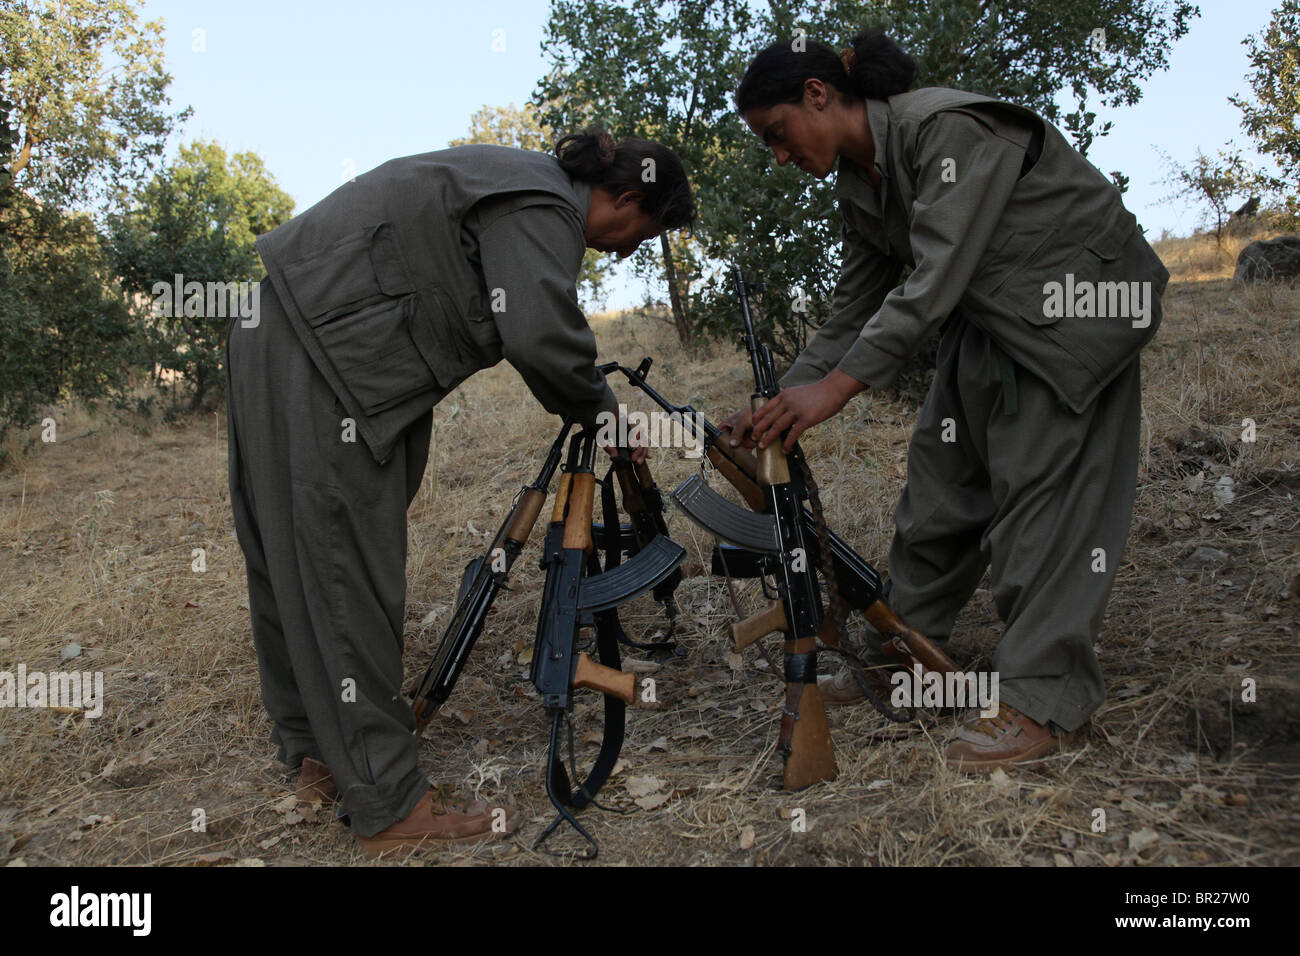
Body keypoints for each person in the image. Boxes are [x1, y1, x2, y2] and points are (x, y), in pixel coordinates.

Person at [225, 131, 694, 857]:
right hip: (326, 356)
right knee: (344, 568)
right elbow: (541, 336)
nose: (626, 253)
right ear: (626, 196)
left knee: (291, 558)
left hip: (287, 331)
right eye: (640, 234)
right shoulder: (544, 202)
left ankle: (321, 755)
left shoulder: (510, 177)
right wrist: (606, 415)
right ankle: (387, 804)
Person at [721, 29, 1168, 772]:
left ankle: (1040, 699)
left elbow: (929, 284)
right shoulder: (860, 181)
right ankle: (907, 655)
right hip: (992, 320)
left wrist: (833, 393)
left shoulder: (946, 129)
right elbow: (856, 307)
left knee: (1041, 504)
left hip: (1076, 314)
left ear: (819, 95)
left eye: (778, 133)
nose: (780, 154)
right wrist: (778, 401)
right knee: (938, 489)